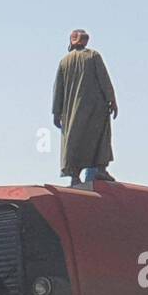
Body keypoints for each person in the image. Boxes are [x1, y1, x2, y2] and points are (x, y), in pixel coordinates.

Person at [52, 29, 118, 185]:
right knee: (100, 137)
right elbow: (104, 80)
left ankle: (74, 175)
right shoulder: (93, 56)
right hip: (95, 108)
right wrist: (112, 100)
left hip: (71, 111)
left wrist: (56, 112)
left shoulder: (64, 61)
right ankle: (100, 170)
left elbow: (57, 90)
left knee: (73, 140)